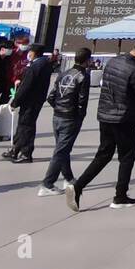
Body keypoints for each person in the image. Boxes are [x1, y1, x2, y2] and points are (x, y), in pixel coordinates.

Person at [67, 37, 135, 211]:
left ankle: (78, 186)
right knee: (127, 157)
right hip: (125, 119)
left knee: (103, 154)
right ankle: (120, 196)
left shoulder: (113, 61)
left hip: (105, 115)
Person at [39, 48, 93, 195]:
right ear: (87, 60)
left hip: (57, 116)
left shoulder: (63, 74)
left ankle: (68, 177)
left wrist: (59, 108)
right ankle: (47, 183)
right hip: (71, 117)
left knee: (63, 149)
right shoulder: (83, 76)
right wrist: (80, 116)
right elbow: (82, 100)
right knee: (61, 151)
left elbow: (51, 96)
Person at [4, 44, 53, 163]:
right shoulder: (45, 64)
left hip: (30, 100)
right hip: (37, 99)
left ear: (34, 52)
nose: (28, 54)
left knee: (26, 126)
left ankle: (25, 153)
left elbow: (26, 85)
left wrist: (15, 101)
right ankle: (15, 149)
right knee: (24, 125)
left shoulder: (35, 65)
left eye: (30, 51)